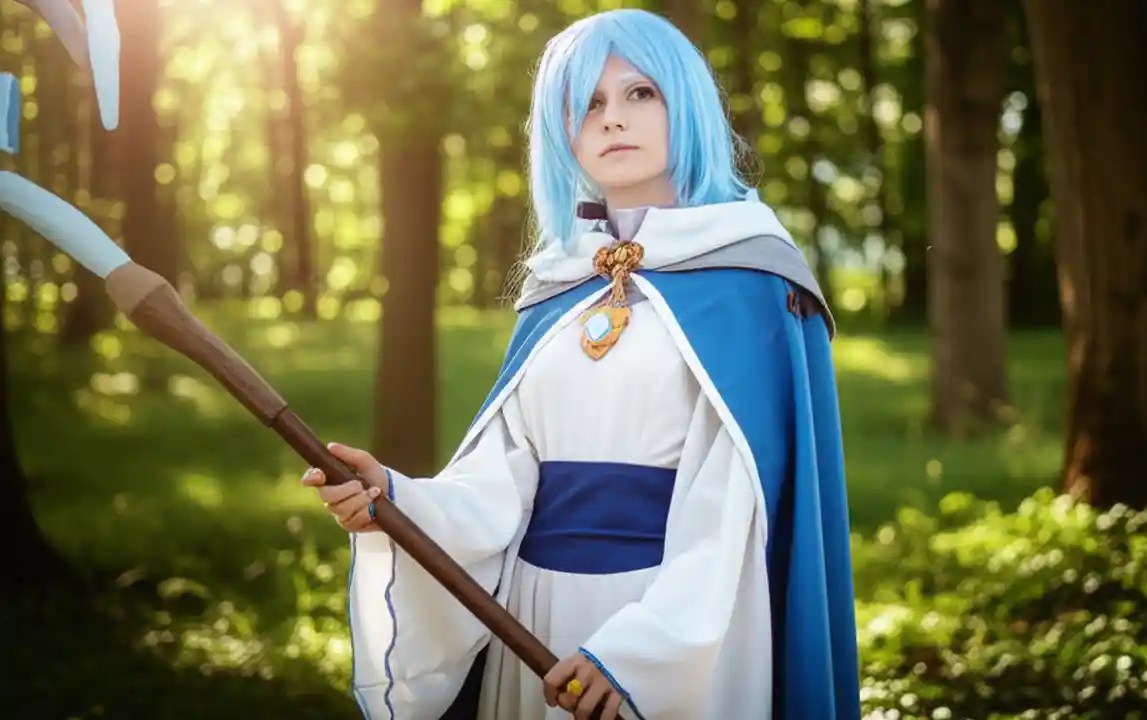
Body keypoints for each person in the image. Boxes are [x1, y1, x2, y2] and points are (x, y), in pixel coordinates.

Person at [302, 8, 860, 720]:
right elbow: (503, 479)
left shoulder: (750, 280)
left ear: (683, 102)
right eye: (587, 103)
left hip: (675, 634)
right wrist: (399, 503)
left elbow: (734, 509)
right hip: (535, 625)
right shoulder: (559, 282)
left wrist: (633, 656)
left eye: (640, 93)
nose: (612, 119)